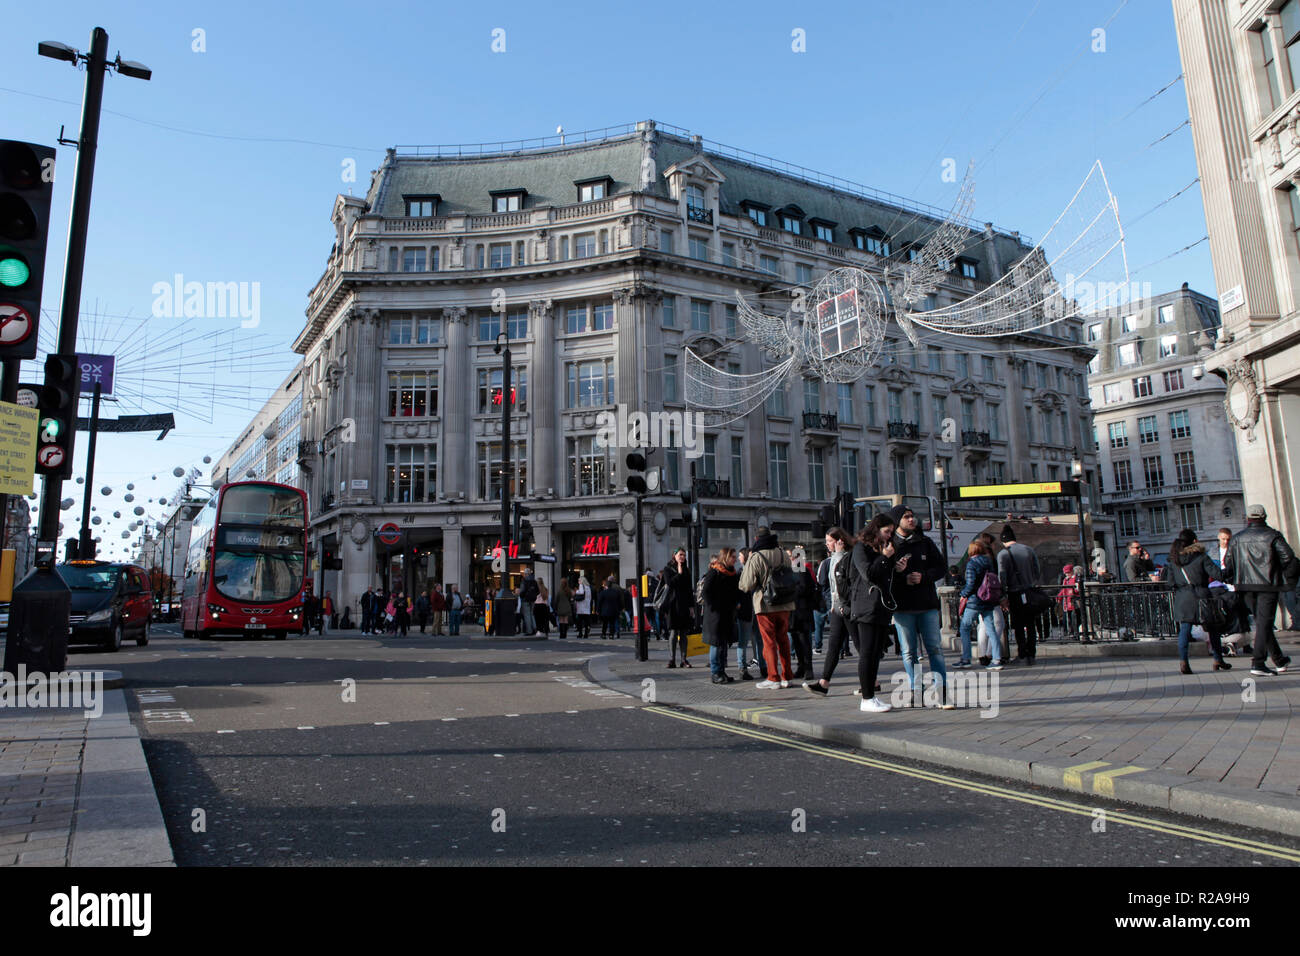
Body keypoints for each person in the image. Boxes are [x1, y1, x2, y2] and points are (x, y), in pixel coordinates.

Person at [888, 505, 953, 707]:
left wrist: (924, 577)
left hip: (927, 604)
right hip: (903, 607)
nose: (911, 519)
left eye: (912, 516)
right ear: (897, 520)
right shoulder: (890, 546)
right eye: (906, 517)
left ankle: (942, 691)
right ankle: (916, 689)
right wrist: (901, 578)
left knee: (934, 648)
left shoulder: (924, 542)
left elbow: (941, 567)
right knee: (909, 651)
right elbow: (881, 575)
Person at [1223, 504, 1297, 677]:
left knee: (1262, 622)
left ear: (1248, 518)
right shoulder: (1273, 536)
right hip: (1267, 584)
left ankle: (1279, 660)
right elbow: (1288, 558)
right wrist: (1287, 578)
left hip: (1244, 585)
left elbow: (1229, 563)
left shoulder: (1237, 539)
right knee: (1264, 622)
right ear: (1264, 517)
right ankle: (1258, 662)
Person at [804, 527, 875, 701]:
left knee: (860, 646)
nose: (827, 544)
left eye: (829, 541)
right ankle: (823, 684)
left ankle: (871, 683)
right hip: (837, 608)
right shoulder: (834, 557)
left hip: (848, 608)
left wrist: (838, 552)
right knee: (834, 647)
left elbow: (841, 578)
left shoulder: (846, 557)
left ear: (839, 541)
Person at [1160, 529, 1231, 674]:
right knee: (1213, 629)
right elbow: (1217, 574)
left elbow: (1170, 583)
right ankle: (1218, 659)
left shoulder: (1174, 560)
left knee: (1184, 630)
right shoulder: (1201, 557)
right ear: (1194, 541)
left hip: (1183, 598)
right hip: (1202, 596)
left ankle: (1184, 661)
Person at [738, 526, 797, 689]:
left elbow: (745, 584)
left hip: (765, 605)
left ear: (756, 539)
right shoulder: (783, 553)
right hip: (785, 603)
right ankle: (787, 676)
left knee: (769, 642)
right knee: (784, 640)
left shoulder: (756, 557)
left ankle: (773, 677)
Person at [997, 524, 1042, 665]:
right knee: (1030, 623)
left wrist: (1002, 595)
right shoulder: (1029, 550)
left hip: (1014, 593)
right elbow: (1037, 571)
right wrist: (1030, 582)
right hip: (1029, 591)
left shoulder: (1003, 554)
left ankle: (1022, 654)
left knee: (1018, 625)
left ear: (1003, 540)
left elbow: (1001, 577)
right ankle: (1032, 654)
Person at [957, 539, 1003, 670]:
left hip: (974, 601)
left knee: (964, 628)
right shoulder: (988, 562)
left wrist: (963, 594)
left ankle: (966, 658)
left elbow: (971, 584)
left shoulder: (971, 564)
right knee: (991, 629)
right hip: (988, 600)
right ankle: (996, 659)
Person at [700, 548, 741, 684]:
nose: (735, 559)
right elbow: (706, 592)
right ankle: (715, 672)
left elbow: (735, 592)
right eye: (732, 557)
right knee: (716, 644)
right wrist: (714, 607)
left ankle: (722, 671)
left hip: (727, 614)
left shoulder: (732, 574)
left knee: (723, 645)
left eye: (735, 557)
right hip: (716, 615)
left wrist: (736, 603)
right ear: (725, 557)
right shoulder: (715, 572)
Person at [660, 549, 695, 667]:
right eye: (680, 555)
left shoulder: (687, 570)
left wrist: (691, 606)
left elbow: (689, 589)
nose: (682, 557)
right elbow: (670, 584)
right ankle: (672, 659)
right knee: (673, 632)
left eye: (684, 555)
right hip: (672, 605)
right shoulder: (667, 569)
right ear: (674, 556)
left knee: (684, 633)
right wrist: (679, 574)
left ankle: (684, 659)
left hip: (684, 605)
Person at [788, 550, 818, 681]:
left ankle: (808, 668)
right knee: (796, 640)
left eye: (791, 557)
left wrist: (791, 590)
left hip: (802, 612)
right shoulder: (791, 572)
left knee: (804, 641)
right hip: (794, 612)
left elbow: (806, 588)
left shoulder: (803, 572)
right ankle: (801, 666)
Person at [1056, 565, 1081, 640]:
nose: (1067, 574)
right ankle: (1070, 632)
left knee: (1076, 617)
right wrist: (1059, 597)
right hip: (1067, 602)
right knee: (1069, 618)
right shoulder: (1065, 580)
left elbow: (1078, 589)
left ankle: (1077, 633)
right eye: (1066, 573)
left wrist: (1073, 591)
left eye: (1068, 573)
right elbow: (1063, 590)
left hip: (1074, 601)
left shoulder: (1075, 578)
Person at [518, 570, 540, 636]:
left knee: (527, 615)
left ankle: (529, 631)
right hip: (533, 599)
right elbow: (538, 591)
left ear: (526, 574)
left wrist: (522, 596)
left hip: (525, 600)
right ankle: (535, 628)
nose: (524, 575)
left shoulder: (524, 581)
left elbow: (522, 591)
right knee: (532, 614)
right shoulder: (534, 581)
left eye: (524, 574)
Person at [573, 574, 593, 640]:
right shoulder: (588, 587)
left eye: (579, 580)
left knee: (580, 622)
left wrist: (576, 592)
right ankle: (586, 634)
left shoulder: (581, 585)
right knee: (586, 622)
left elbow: (581, 592)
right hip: (587, 607)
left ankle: (580, 633)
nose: (578, 581)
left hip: (581, 607)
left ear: (582, 581)